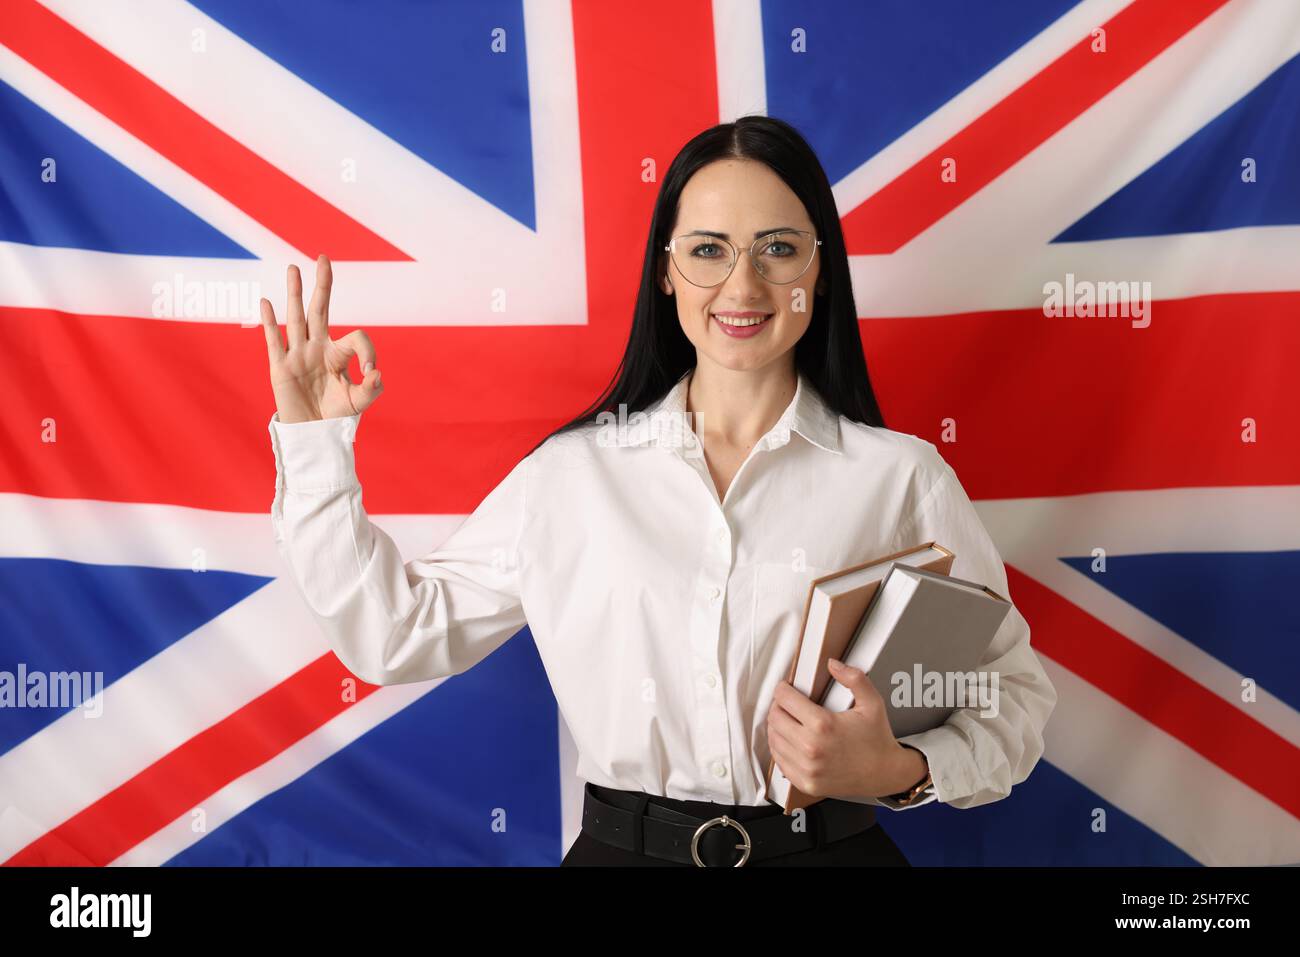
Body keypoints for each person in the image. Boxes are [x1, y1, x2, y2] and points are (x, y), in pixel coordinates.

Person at [259, 115, 1057, 867]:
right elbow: (394, 634)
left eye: (777, 247)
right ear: (667, 273)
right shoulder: (569, 479)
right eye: (708, 249)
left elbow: (1011, 697)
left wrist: (897, 766)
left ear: (819, 268)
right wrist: (313, 442)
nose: (742, 284)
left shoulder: (903, 478)